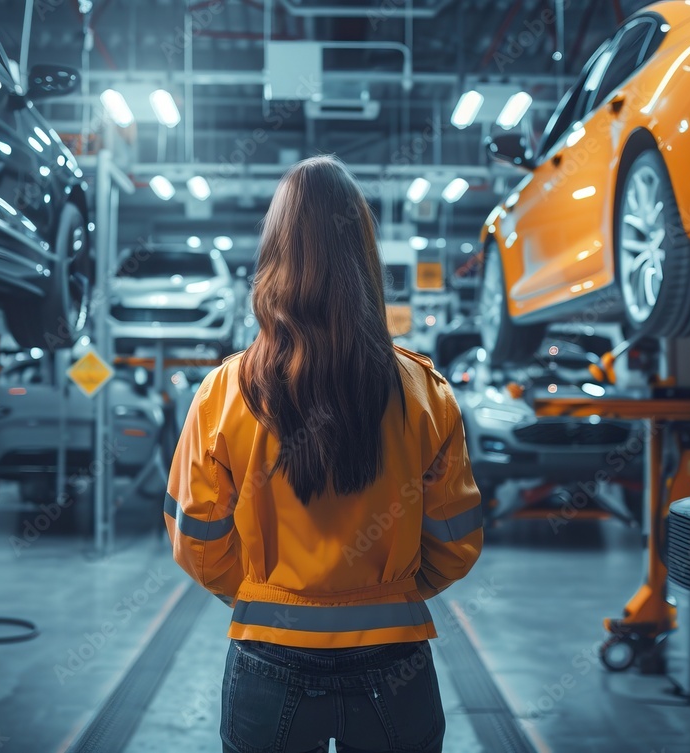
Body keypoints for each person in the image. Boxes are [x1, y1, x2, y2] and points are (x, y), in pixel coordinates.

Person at [165, 155, 482, 753]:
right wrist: (389, 592)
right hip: (395, 661)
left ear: (274, 255)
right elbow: (456, 541)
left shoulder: (224, 391)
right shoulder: (423, 391)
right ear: (364, 256)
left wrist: (265, 591)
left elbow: (196, 540)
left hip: (268, 656)